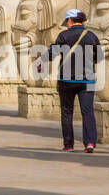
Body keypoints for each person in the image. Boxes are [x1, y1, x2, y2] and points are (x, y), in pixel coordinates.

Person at [42, 9, 103, 153]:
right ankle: (89, 143)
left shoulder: (63, 35)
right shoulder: (91, 35)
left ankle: (68, 145)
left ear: (70, 20)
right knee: (87, 112)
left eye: (66, 22)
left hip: (66, 80)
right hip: (87, 80)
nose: (66, 25)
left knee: (67, 112)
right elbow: (99, 57)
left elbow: (53, 53)